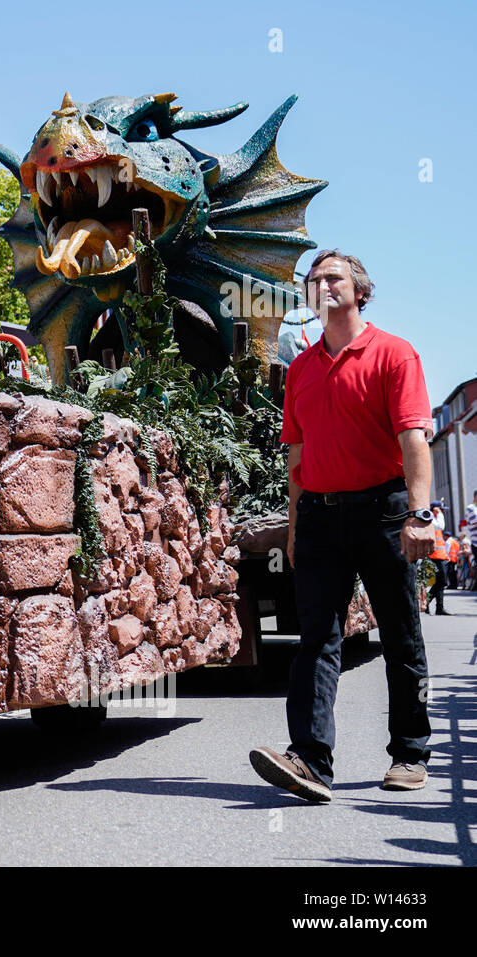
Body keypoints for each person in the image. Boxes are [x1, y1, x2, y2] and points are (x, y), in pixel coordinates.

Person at [249, 249, 434, 802]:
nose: (322, 285)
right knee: (316, 641)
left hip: (385, 509)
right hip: (321, 515)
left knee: (401, 635)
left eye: (334, 277)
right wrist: (294, 527)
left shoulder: (394, 354)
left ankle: (410, 753)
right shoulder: (301, 369)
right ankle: (308, 760)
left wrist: (420, 514)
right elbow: (297, 456)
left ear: (360, 292)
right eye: (313, 279)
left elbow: (413, 442)